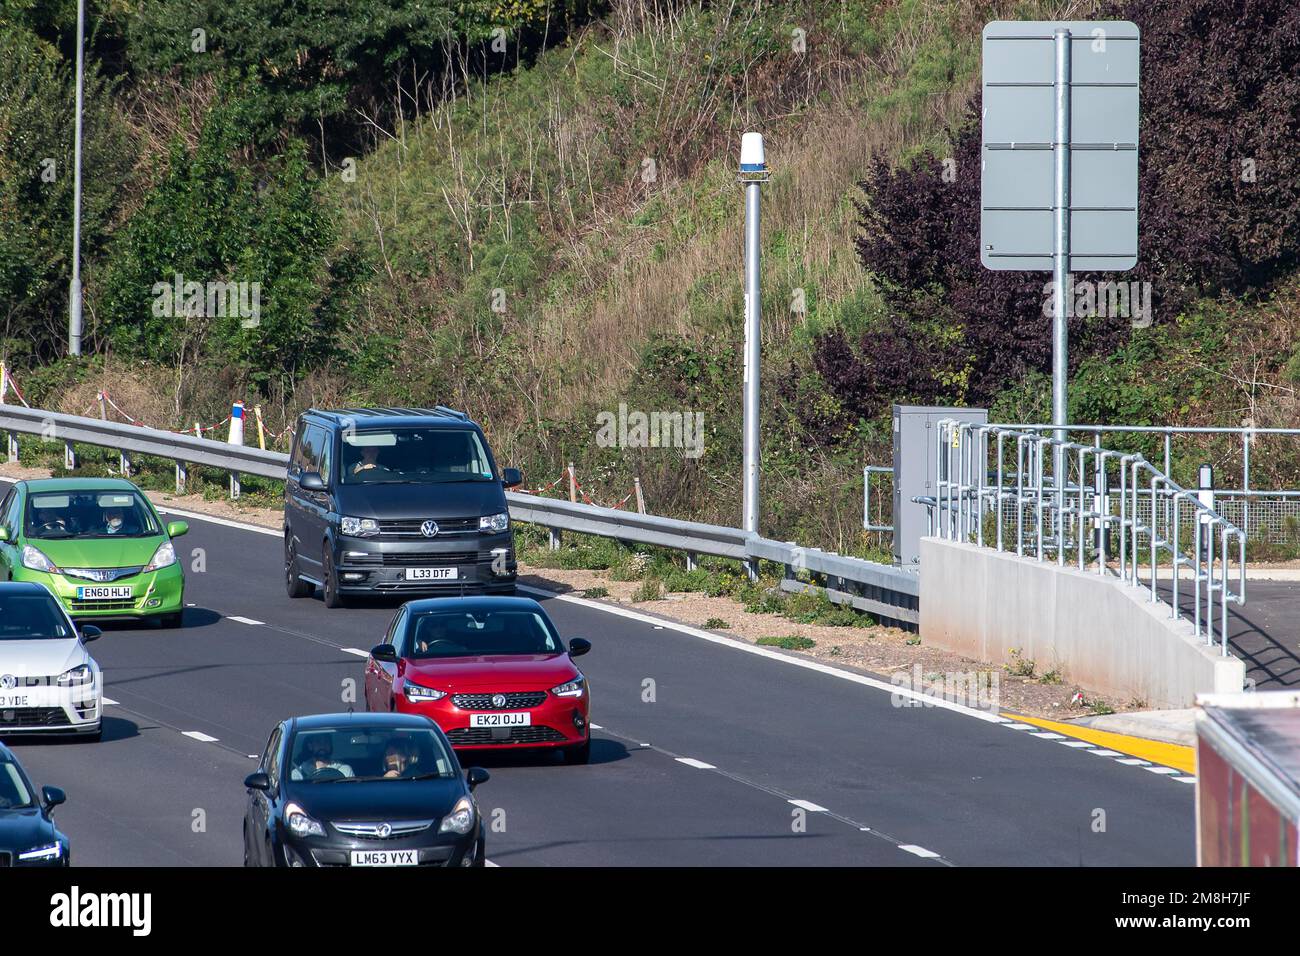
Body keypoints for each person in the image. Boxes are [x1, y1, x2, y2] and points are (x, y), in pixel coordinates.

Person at [290, 733, 354, 780]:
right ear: (310, 746)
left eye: (326, 742)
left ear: (330, 745)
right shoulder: (299, 773)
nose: (322, 745)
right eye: (318, 742)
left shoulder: (345, 770)